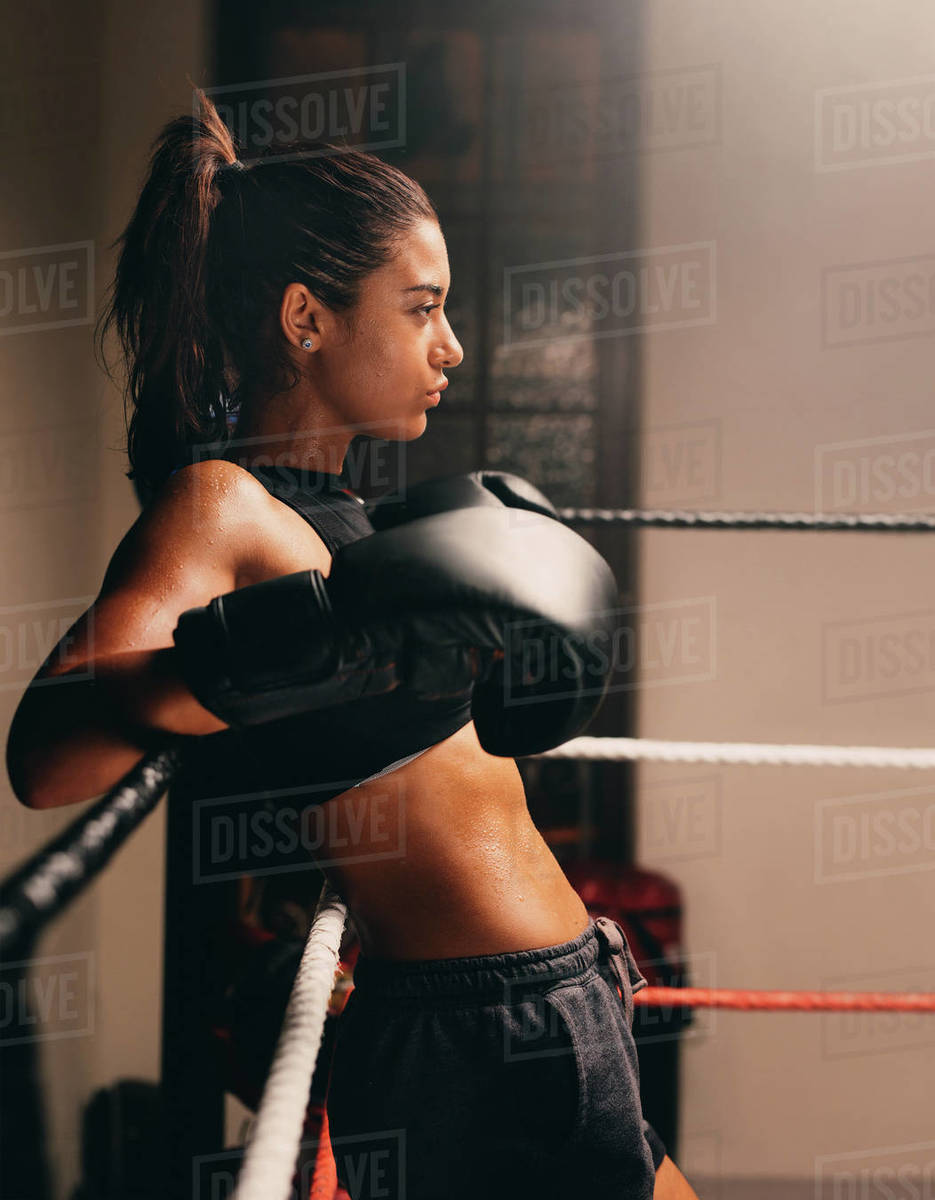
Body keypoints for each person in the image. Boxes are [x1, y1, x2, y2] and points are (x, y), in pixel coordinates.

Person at [5, 90, 700, 1200]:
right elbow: (44, 758)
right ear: (304, 319)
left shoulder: (356, 526)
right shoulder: (219, 505)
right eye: (420, 308)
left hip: (565, 991)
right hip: (473, 1022)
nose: (451, 346)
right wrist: (300, 651)